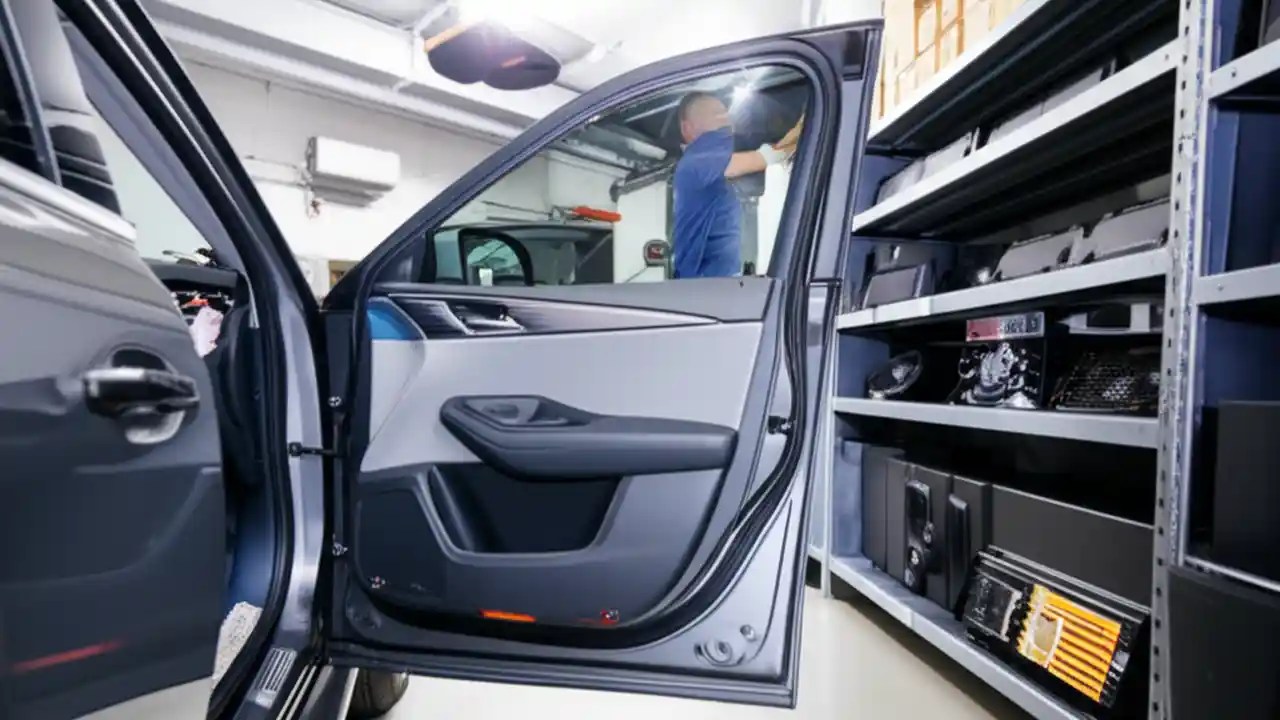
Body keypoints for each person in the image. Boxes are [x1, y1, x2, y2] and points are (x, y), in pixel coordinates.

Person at [671, 91, 797, 279]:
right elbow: (770, 157)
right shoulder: (695, 162)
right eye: (716, 116)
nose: (727, 122)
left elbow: (773, 154)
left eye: (726, 115)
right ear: (687, 128)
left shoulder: (706, 170)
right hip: (705, 287)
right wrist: (806, 126)